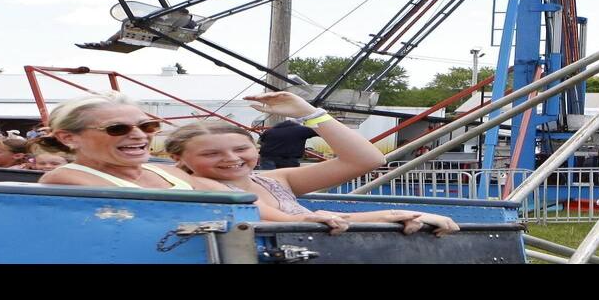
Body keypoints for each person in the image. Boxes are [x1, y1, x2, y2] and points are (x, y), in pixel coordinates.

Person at [165, 91, 460, 236]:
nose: (231, 159)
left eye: (241, 148)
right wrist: (391, 214)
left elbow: (367, 159)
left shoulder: (274, 180)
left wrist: (310, 113)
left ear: (256, 148)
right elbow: (292, 221)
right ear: (178, 159)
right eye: (211, 154)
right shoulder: (198, 187)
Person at [37, 91, 196, 190]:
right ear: (69, 138)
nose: (139, 135)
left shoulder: (168, 171)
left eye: (147, 125)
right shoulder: (67, 180)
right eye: (117, 128)